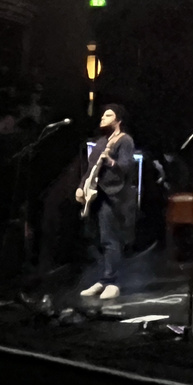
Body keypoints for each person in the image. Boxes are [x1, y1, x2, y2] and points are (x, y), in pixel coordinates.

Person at [76, 105, 136, 300]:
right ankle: (103, 279)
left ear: (118, 120)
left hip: (114, 196)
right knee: (98, 238)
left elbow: (127, 166)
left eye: (108, 115)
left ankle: (112, 281)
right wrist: (81, 186)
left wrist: (111, 162)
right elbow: (90, 167)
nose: (102, 117)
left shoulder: (125, 140)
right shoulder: (102, 142)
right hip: (96, 195)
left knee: (111, 239)